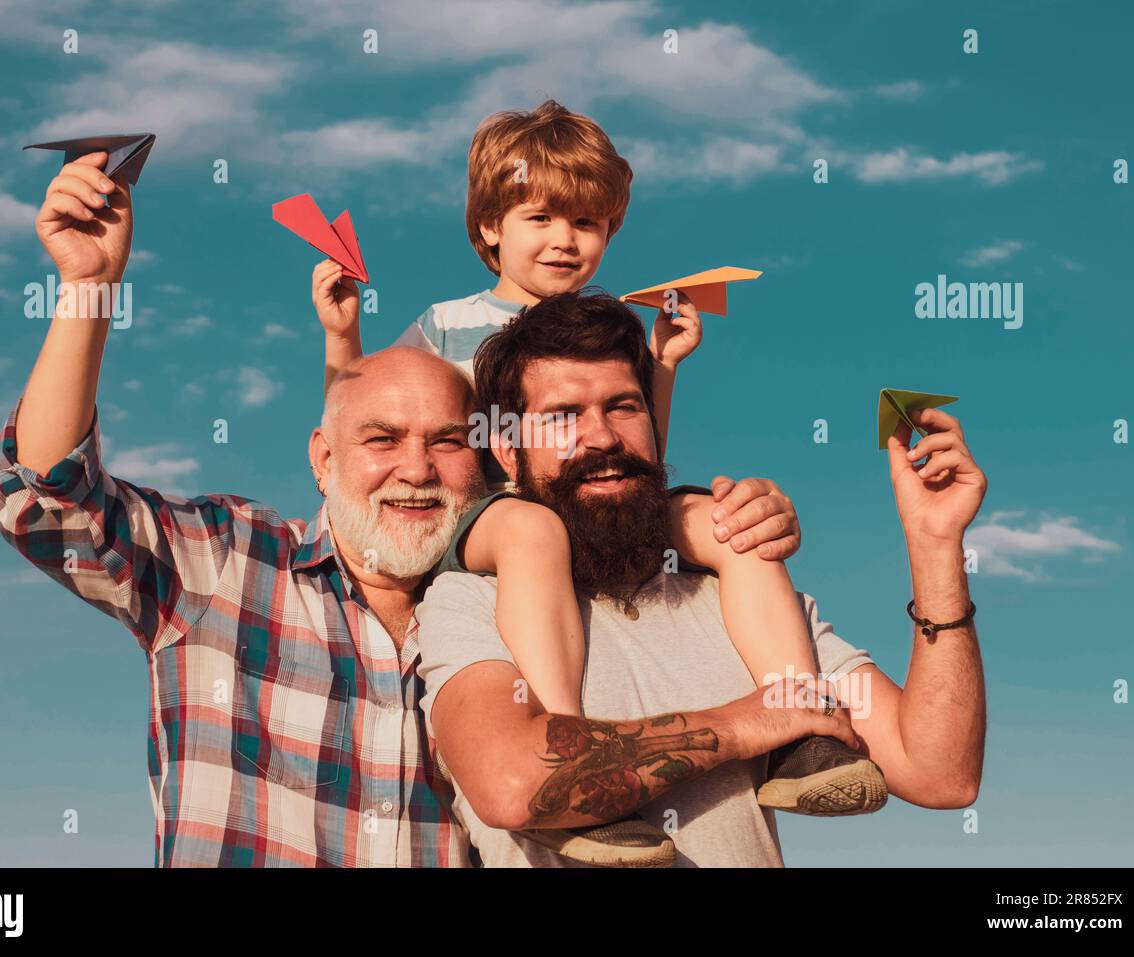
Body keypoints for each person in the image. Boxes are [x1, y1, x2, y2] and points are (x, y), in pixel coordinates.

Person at [0, 152, 783, 866]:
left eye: (447, 439)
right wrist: (89, 286)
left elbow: (614, 470)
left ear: (489, 456)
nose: (414, 467)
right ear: (323, 456)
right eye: (383, 440)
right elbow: (51, 502)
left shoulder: (511, 629)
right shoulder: (228, 568)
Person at [415, 291, 989, 867]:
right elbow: (511, 786)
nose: (603, 437)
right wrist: (747, 722)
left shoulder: (741, 589)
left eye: (624, 406)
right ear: (508, 451)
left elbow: (941, 775)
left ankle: (797, 748)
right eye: (563, 416)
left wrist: (935, 545)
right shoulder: (471, 603)